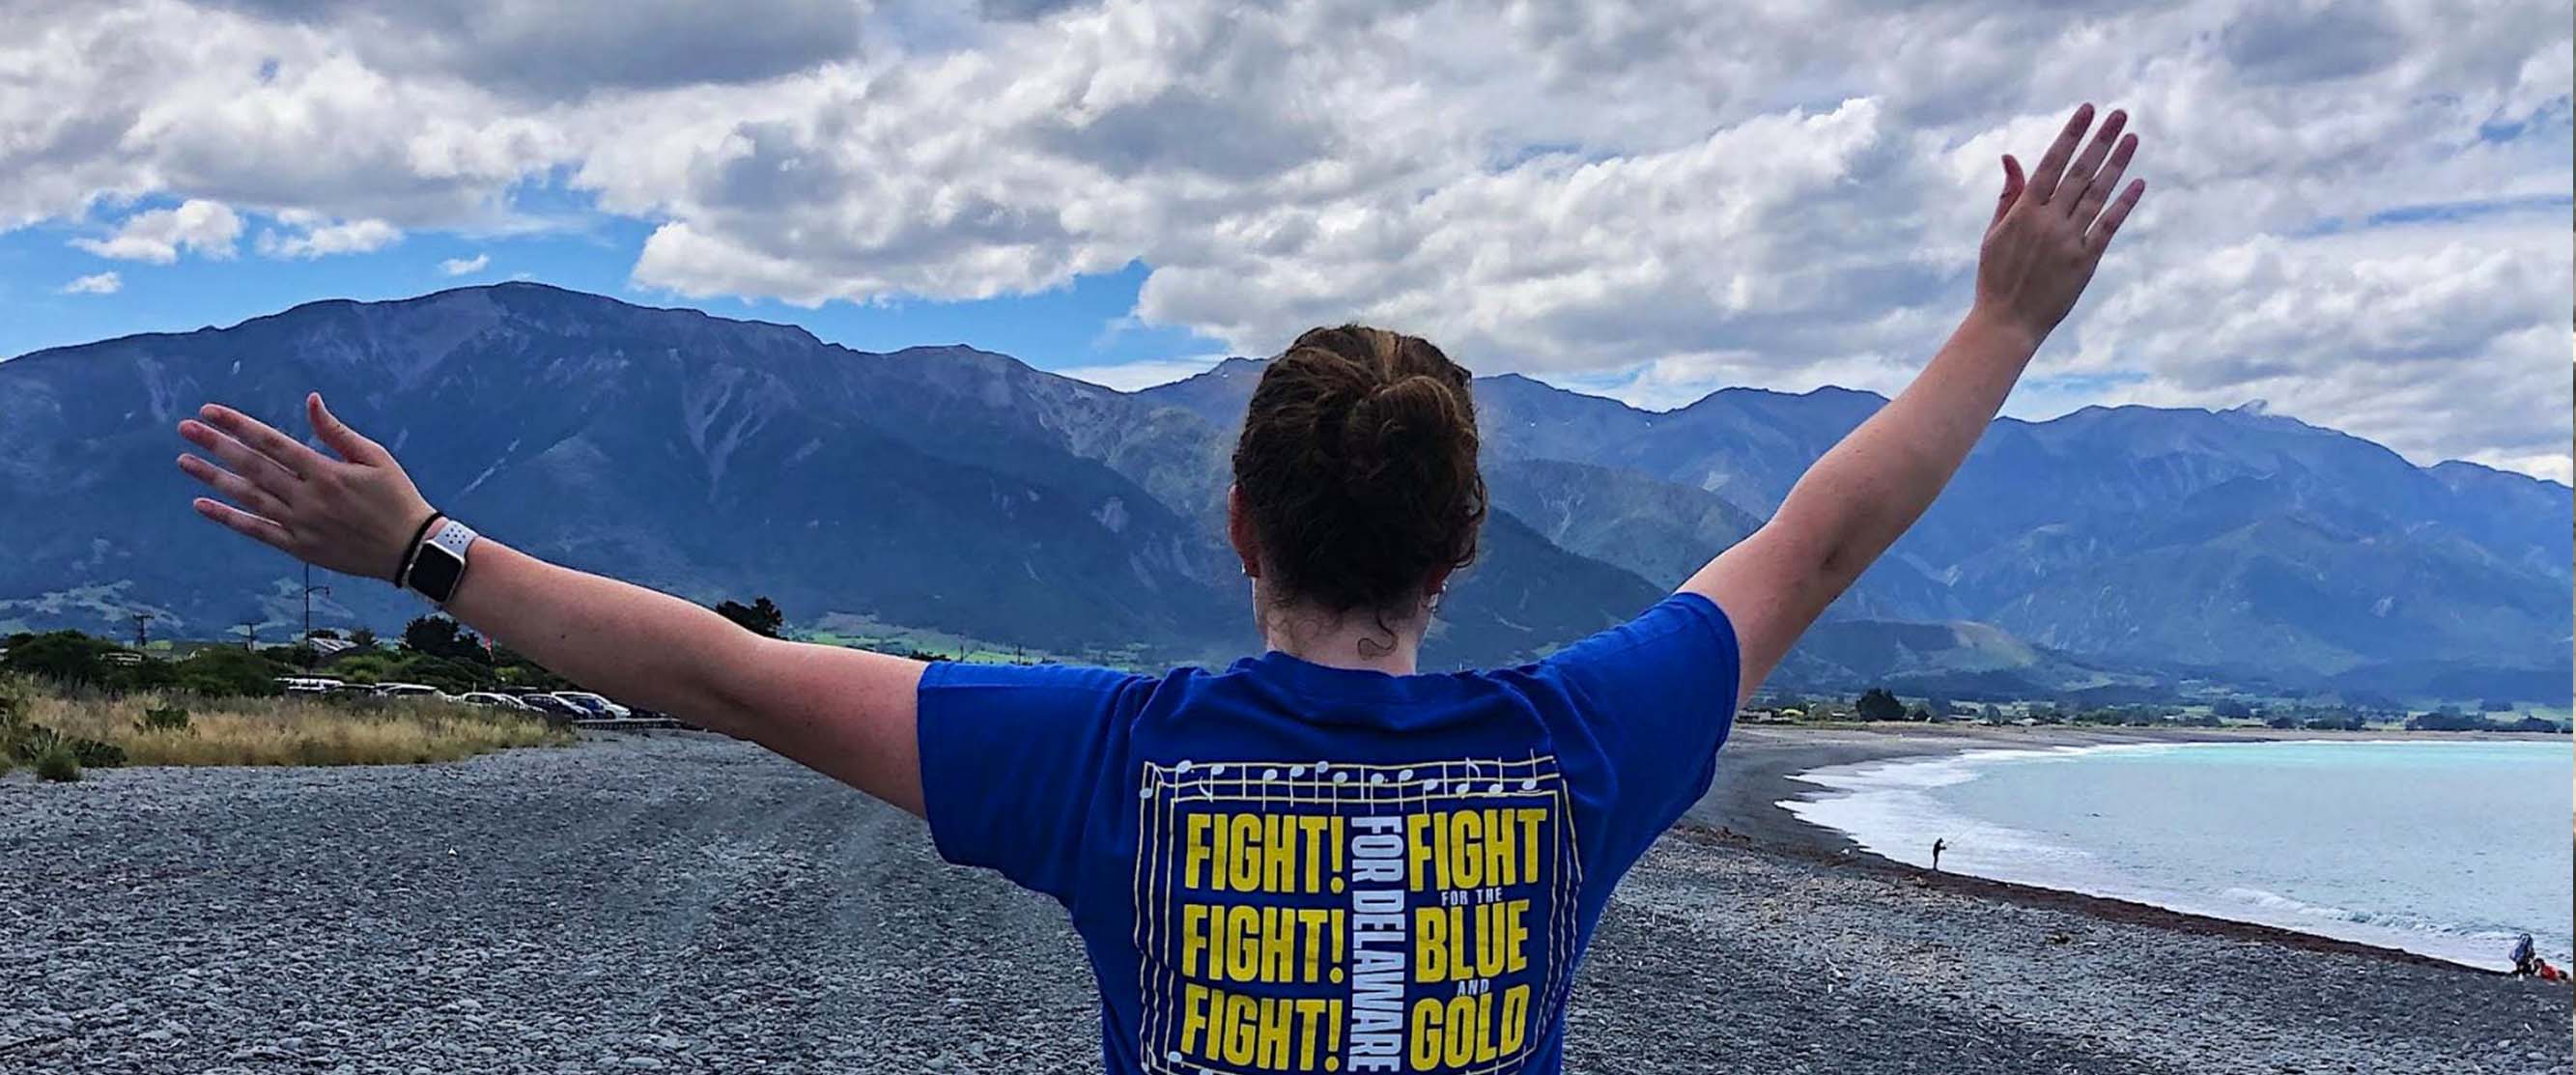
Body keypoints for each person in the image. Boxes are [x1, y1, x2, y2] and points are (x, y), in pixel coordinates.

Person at [172, 103, 2143, 1074]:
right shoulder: (1583, 740)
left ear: (1236, 529)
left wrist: (426, 547)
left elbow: (733, 675)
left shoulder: (1108, 758)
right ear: (1463, 550)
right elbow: (1819, 533)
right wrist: (1999, 317)